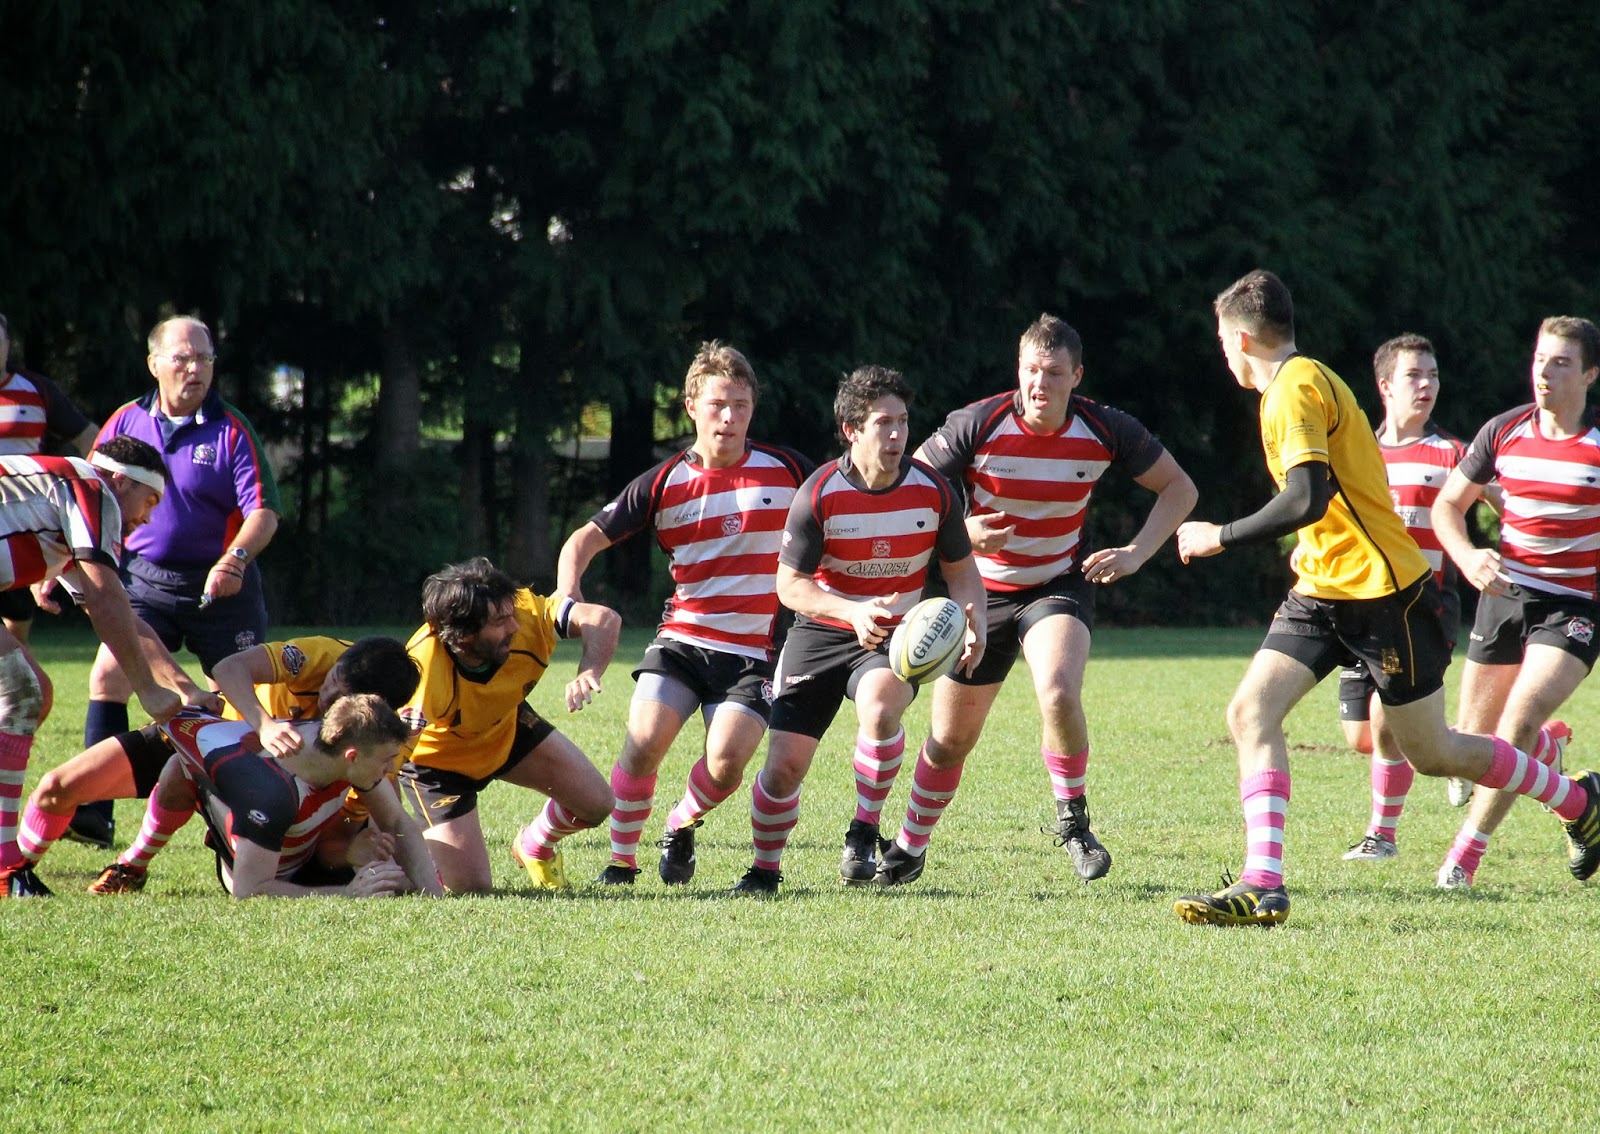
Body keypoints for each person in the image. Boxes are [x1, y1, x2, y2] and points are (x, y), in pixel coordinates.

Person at [1171, 270, 1600, 927]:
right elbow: (1329, 500)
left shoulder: (1294, 389)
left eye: (1224, 341)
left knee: (1436, 754)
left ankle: (1579, 802)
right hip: (1322, 589)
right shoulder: (1302, 381)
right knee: (1251, 711)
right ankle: (1263, 882)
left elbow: (1305, 497)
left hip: (1384, 596)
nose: (1223, 353)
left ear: (1242, 339)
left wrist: (1218, 535)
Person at [912, 314, 1196, 881]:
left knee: (1060, 692)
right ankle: (909, 845)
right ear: (1018, 370)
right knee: (948, 741)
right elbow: (908, 492)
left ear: (1077, 376)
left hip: (1056, 584)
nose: (1039, 383)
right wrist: (962, 532)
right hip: (980, 590)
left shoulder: (1105, 428)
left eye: (1054, 372)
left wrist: (1137, 552)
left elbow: (1179, 488)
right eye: (1031, 370)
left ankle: (1073, 822)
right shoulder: (978, 423)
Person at [556, 342, 811, 885]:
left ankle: (681, 821)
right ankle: (621, 863)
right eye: (718, 404)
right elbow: (582, 540)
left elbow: (842, 507)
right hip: (682, 641)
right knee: (644, 741)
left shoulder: (789, 471)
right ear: (692, 405)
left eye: (741, 406)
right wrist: (566, 594)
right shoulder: (664, 481)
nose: (729, 417)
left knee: (726, 764)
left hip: (753, 652)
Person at [730, 365, 985, 896]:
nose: (897, 435)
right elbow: (789, 586)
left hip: (894, 637)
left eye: (903, 422)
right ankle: (763, 872)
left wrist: (973, 619)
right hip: (820, 632)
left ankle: (863, 832)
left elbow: (963, 575)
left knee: (882, 703)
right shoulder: (819, 493)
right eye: (883, 423)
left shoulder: (934, 491)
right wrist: (851, 611)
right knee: (784, 768)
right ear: (851, 430)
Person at [72, 314, 281, 850]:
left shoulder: (231, 427)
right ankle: (93, 813)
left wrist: (235, 559)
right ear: (154, 364)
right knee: (108, 675)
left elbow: (263, 511)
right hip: (145, 579)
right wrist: (67, 564)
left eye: (205, 358)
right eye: (183, 358)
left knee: (241, 701)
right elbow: (86, 496)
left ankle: (245, 826)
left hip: (223, 585)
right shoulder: (125, 421)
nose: (195, 369)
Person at [13, 635, 420, 894]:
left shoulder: (372, 750)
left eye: (339, 698)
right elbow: (229, 668)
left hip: (251, 796)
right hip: (219, 733)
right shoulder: (319, 656)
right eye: (330, 681)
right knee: (57, 787)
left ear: (372, 709)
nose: (326, 696)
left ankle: (128, 868)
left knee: (186, 777)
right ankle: (21, 871)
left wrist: (353, 854)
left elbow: (331, 847)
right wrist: (263, 724)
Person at [1429, 316, 1600, 889]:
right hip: (1504, 596)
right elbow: (1447, 507)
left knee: (1518, 721)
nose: (1544, 372)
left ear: (1591, 374)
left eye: (1562, 362)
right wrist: (1468, 555)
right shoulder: (1504, 430)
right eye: (1540, 359)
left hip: (1574, 606)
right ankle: (1559, 770)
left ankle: (1463, 859)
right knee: (1472, 747)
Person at [0, 437, 190, 897]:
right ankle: (5, 868)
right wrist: (147, 689)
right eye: (149, 501)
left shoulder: (59, 503)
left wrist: (184, 687)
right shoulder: (91, 487)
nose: (147, 518)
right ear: (119, 481)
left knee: (33, 691)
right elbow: (106, 600)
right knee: (21, 693)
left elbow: (117, 611)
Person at [400, 557, 620, 893]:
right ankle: (422, 862)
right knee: (472, 887)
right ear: (463, 636)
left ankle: (534, 844)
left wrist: (589, 670)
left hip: (506, 727)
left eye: (511, 614)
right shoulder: (423, 669)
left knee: (597, 803)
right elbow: (386, 758)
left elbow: (603, 619)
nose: (515, 626)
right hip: (438, 766)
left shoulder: (527, 613)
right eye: (500, 622)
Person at [163, 695, 442, 899]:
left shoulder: (341, 744)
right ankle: (138, 862)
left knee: (395, 880)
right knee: (173, 769)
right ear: (352, 757)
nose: (391, 769)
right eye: (387, 759)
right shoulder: (272, 792)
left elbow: (396, 821)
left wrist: (434, 895)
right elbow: (249, 891)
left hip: (308, 853)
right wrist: (348, 893)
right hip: (260, 872)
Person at [0, 311, 99, 645]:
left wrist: (90, 493)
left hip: (23, 518)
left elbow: (91, 438)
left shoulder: (36, 390)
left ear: (8, 345)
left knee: (17, 623)